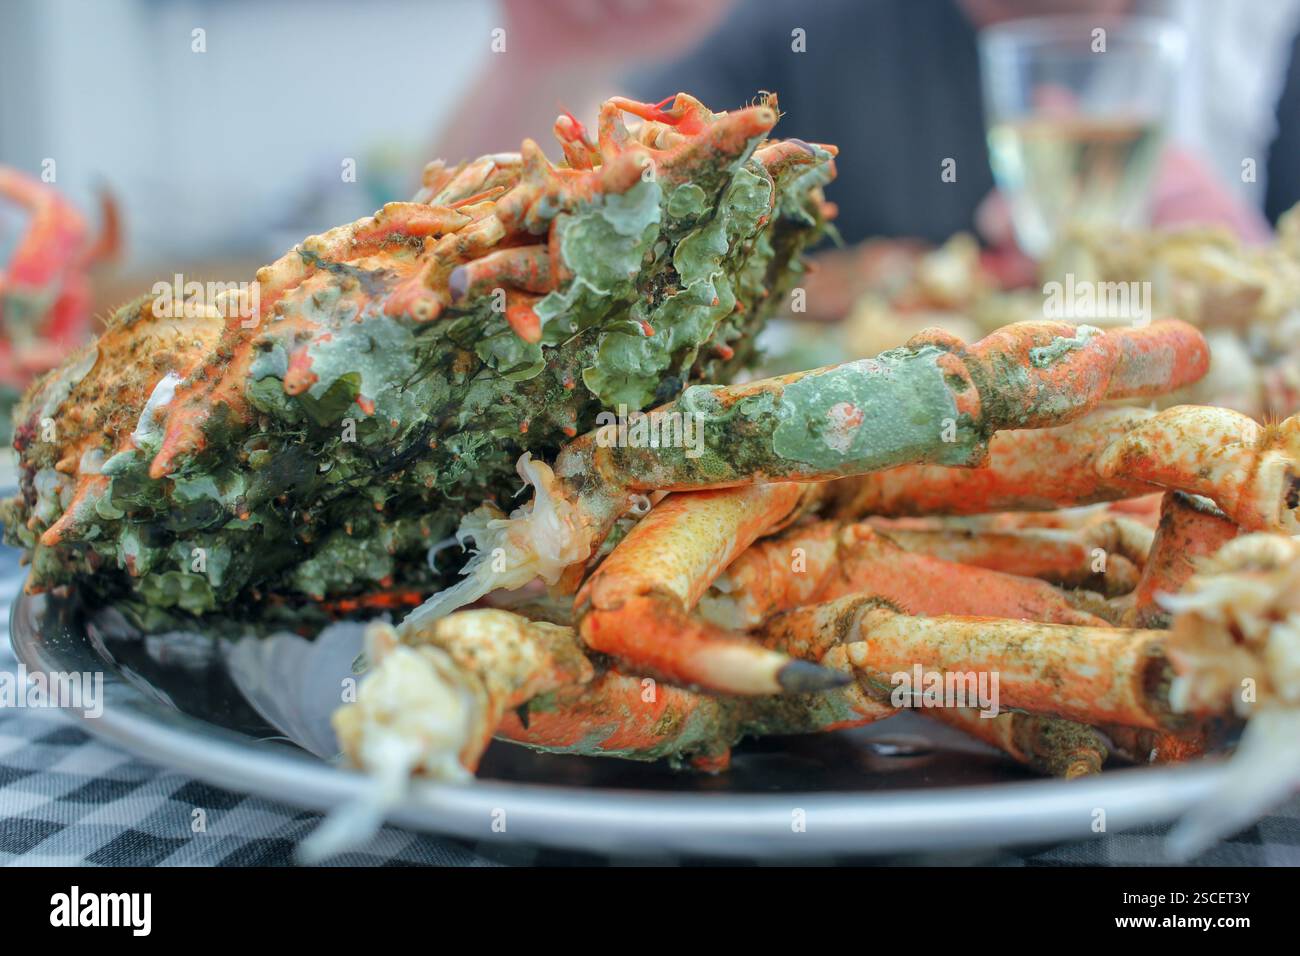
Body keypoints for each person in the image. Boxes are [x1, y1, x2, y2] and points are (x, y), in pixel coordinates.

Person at [433, 0, 1300, 251]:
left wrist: (1251, 279)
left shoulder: (1265, 50)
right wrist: (535, 58)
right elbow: (531, 214)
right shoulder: (801, 26)